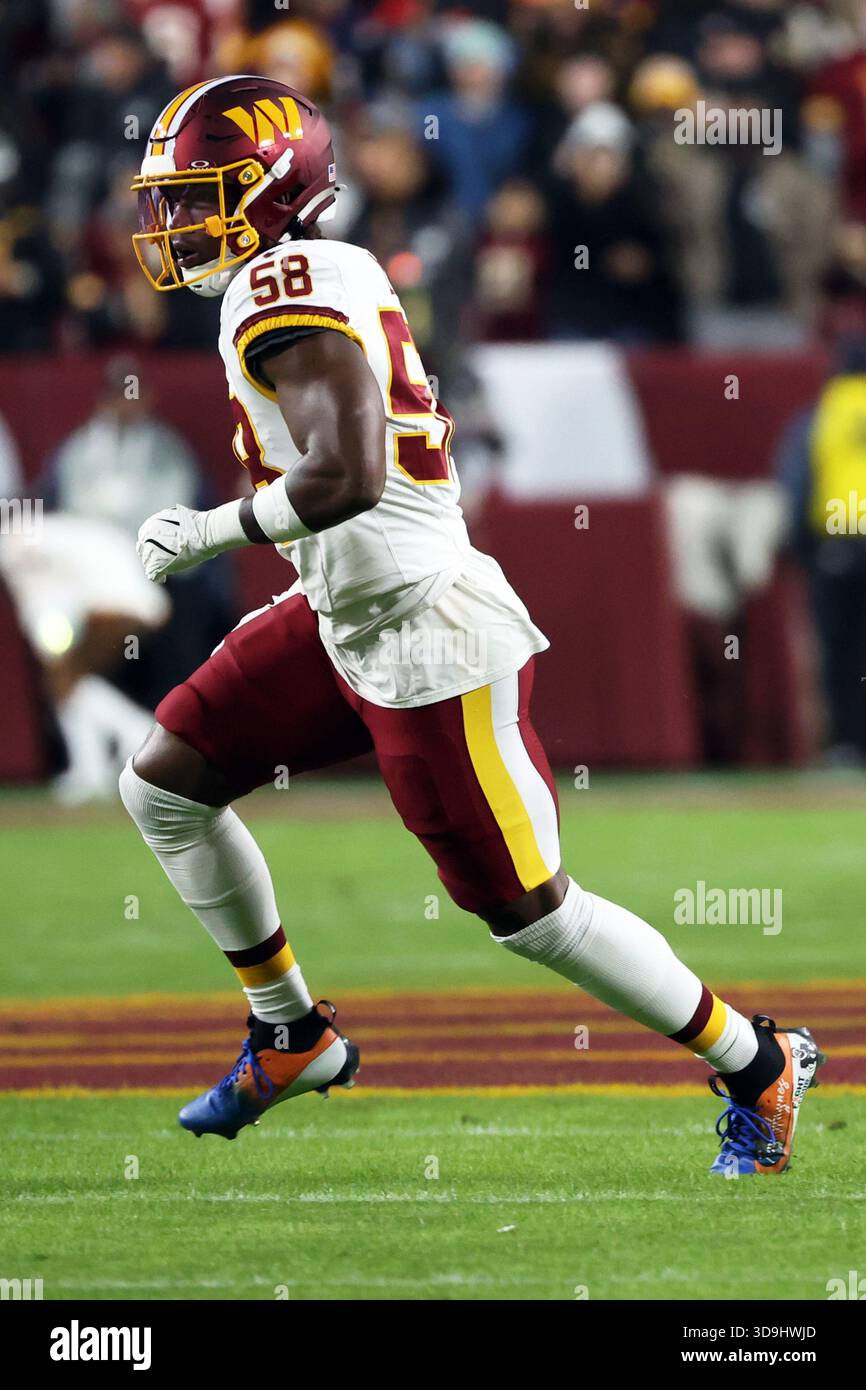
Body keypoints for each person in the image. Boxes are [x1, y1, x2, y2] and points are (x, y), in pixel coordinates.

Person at [120, 75, 823, 1172]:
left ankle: (755, 1057)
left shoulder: (280, 287)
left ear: (270, 189)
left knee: (529, 912)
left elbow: (346, 474)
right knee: (165, 781)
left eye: (198, 194)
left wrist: (211, 529)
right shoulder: (292, 274)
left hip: (423, 627)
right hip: (344, 610)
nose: (174, 223)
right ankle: (290, 1030)